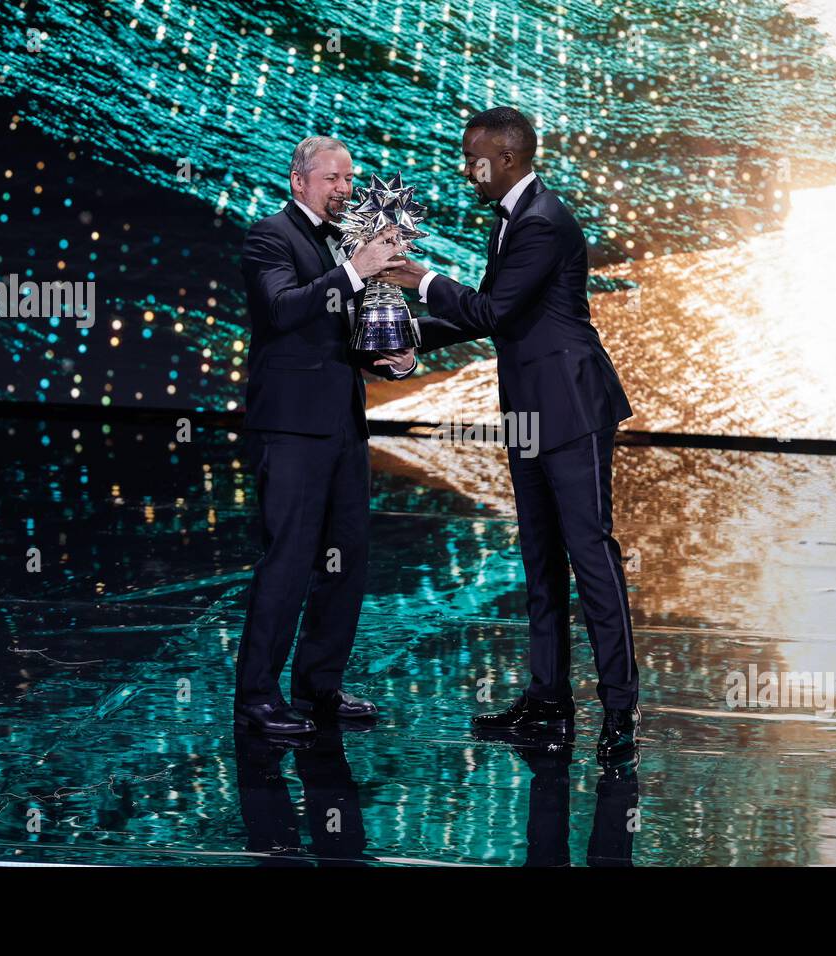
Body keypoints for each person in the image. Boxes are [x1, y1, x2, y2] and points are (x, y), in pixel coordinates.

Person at [377, 107, 641, 760]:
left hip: (572, 410)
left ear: (509, 158)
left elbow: (491, 308)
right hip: (526, 412)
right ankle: (547, 703)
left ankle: (619, 716)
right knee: (540, 562)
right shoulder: (514, 221)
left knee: (591, 559)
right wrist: (404, 334)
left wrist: (418, 278)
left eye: (476, 158)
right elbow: (487, 319)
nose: (469, 169)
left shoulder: (544, 222)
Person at [235, 135, 414, 737]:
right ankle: (257, 696)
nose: (344, 189)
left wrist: (392, 356)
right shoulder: (269, 237)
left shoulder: (345, 244)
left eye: (349, 179)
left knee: (347, 562)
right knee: (288, 562)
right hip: (289, 430)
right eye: (333, 179)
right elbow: (284, 311)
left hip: (343, 428)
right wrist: (352, 270)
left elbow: (346, 332)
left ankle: (320, 687)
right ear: (299, 182)